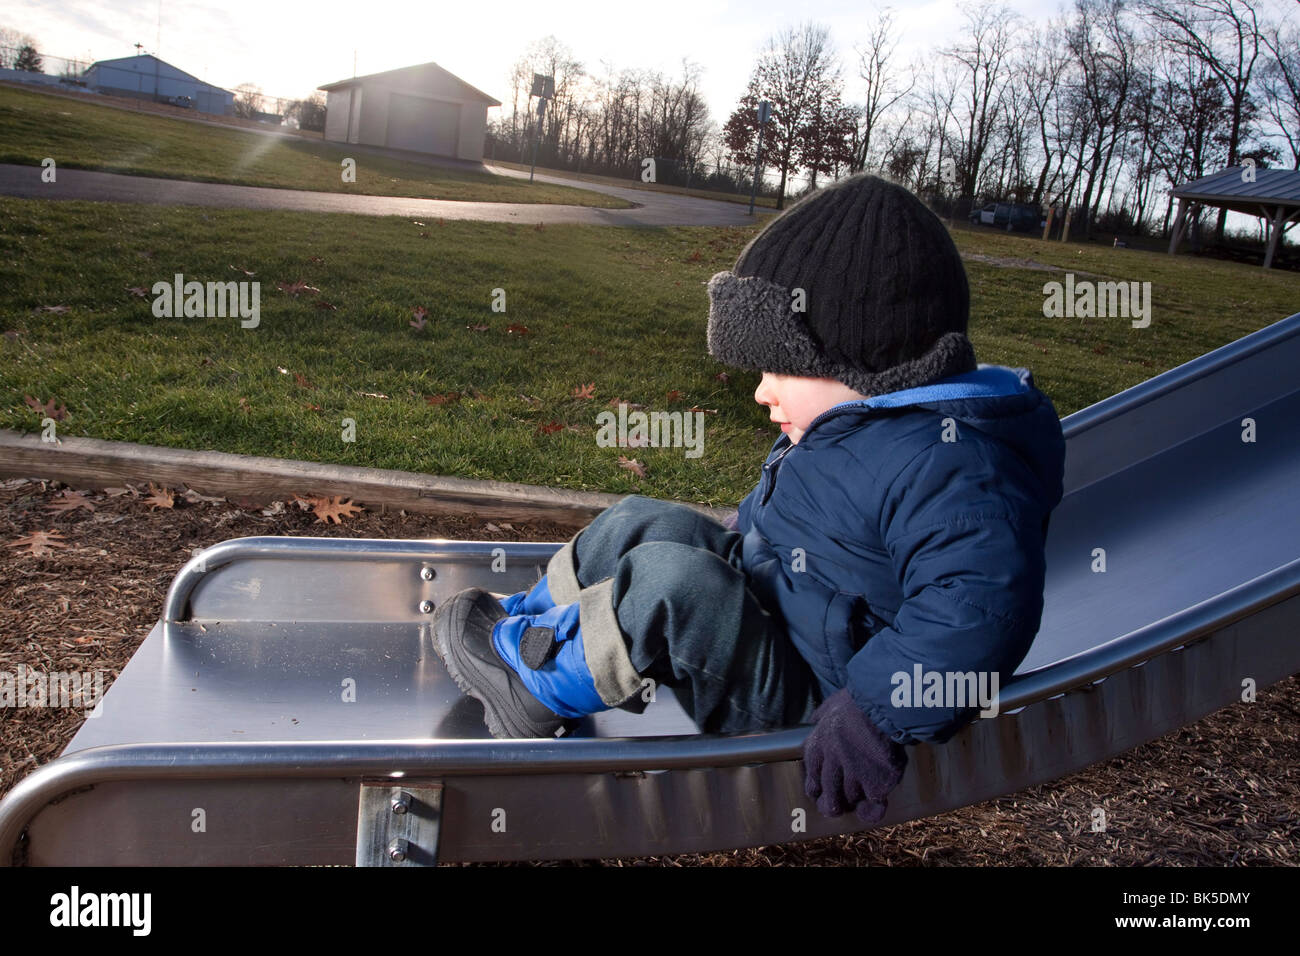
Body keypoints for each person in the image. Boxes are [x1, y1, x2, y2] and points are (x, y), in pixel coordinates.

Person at [432, 172, 1066, 824]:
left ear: (864, 364)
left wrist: (874, 711)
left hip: (812, 703)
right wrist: (748, 532)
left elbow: (981, 614)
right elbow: (816, 517)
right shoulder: (868, 421)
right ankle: (536, 621)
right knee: (643, 521)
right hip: (784, 619)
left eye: (779, 369)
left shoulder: (958, 467)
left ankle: (536, 689)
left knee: (670, 582)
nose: (762, 391)